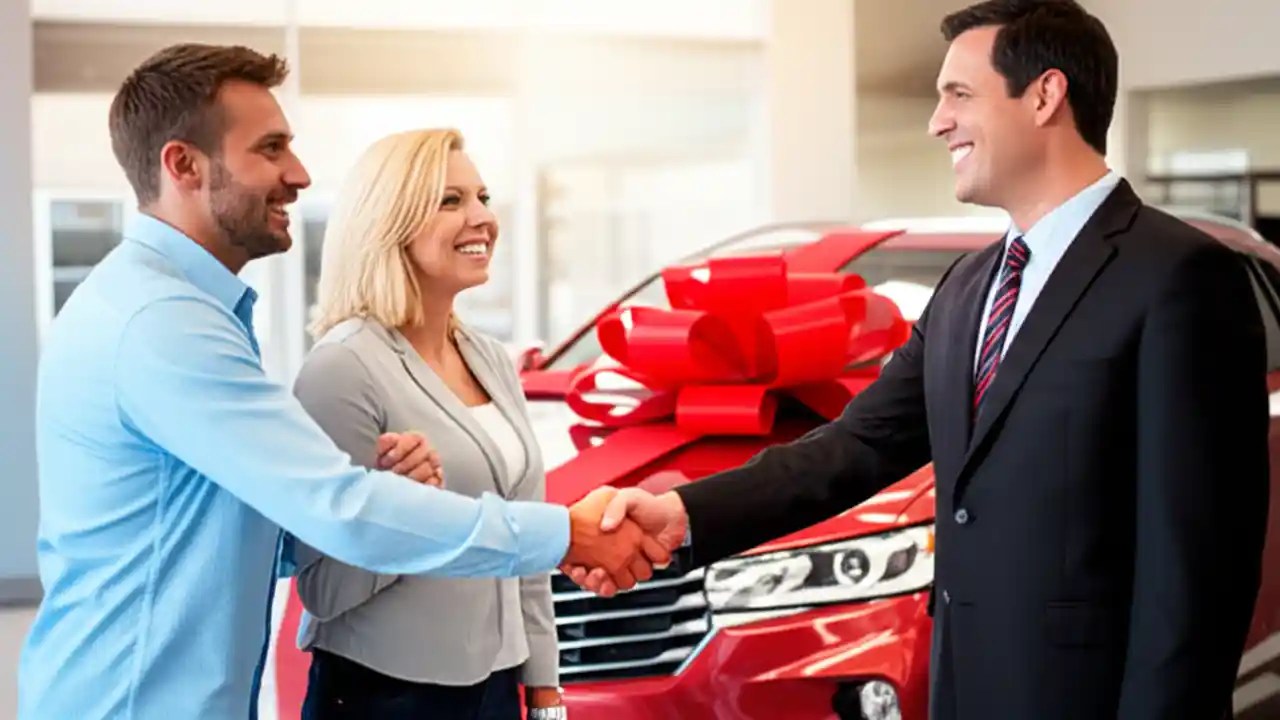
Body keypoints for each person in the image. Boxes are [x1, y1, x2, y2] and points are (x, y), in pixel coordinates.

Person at [567, 2, 1270, 718]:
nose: (937, 122)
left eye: (958, 95)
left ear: (1045, 95)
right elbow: (857, 444)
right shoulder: (970, 287)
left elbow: (1198, 571)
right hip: (965, 687)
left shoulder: (1178, 276)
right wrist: (681, 513)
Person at [18, 43, 665, 720]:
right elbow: (337, 514)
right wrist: (567, 534)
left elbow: (265, 539)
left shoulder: (188, 311)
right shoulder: (164, 323)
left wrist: (391, 495)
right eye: (270, 150)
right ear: (183, 164)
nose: (299, 175)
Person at [289, 128, 565, 720]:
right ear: (388, 225)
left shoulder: (489, 358)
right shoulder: (341, 368)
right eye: (450, 201)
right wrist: (399, 506)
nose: (482, 219)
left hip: (496, 689)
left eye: (483, 197)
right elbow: (322, 590)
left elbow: (526, 540)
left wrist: (544, 689)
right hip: (382, 695)